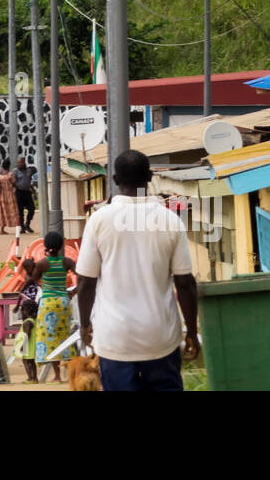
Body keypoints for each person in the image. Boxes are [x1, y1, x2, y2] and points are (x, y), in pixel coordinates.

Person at [76, 149, 200, 392]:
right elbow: (185, 283)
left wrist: (84, 325)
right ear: (150, 177)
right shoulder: (170, 220)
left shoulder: (99, 221)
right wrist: (192, 332)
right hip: (161, 337)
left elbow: (85, 283)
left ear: (114, 180)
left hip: (115, 338)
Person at [29, 230, 76, 382]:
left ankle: (56, 376)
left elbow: (32, 280)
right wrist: (73, 292)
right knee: (65, 336)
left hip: (48, 303)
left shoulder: (42, 263)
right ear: (62, 245)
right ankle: (70, 374)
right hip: (63, 302)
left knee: (50, 337)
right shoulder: (67, 262)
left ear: (46, 246)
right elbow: (83, 277)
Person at [13, 157, 37, 233]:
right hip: (19, 193)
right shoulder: (15, 172)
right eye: (18, 163)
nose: (18, 164)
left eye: (20, 163)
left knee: (32, 209)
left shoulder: (29, 171)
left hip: (27, 193)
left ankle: (27, 224)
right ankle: (22, 227)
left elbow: (30, 182)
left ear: (24, 163)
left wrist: (34, 193)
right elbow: (12, 183)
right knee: (20, 211)